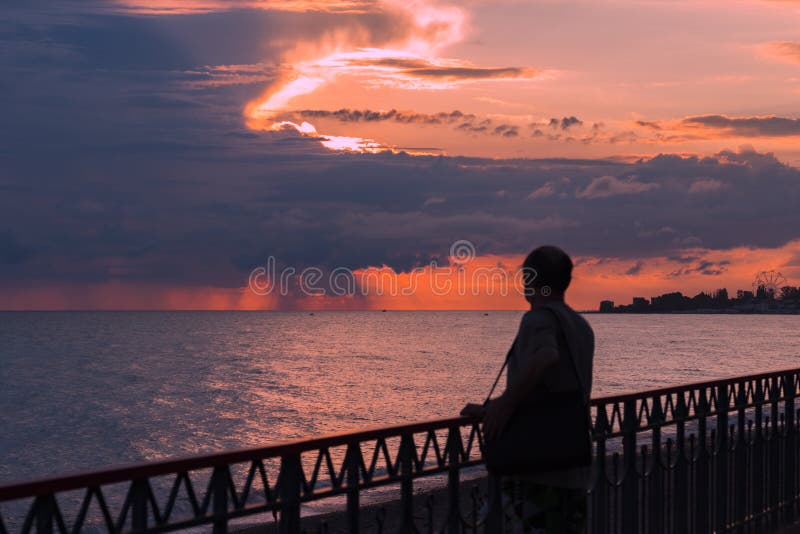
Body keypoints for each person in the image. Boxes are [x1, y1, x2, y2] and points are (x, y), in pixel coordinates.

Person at [462, 245, 595, 533]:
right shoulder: (581, 326)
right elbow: (552, 391)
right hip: (572, 461)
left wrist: (505, 402)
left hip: (538, 472)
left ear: (529, 280)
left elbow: (546, 357)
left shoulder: (538, 319)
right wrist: (491, 409)